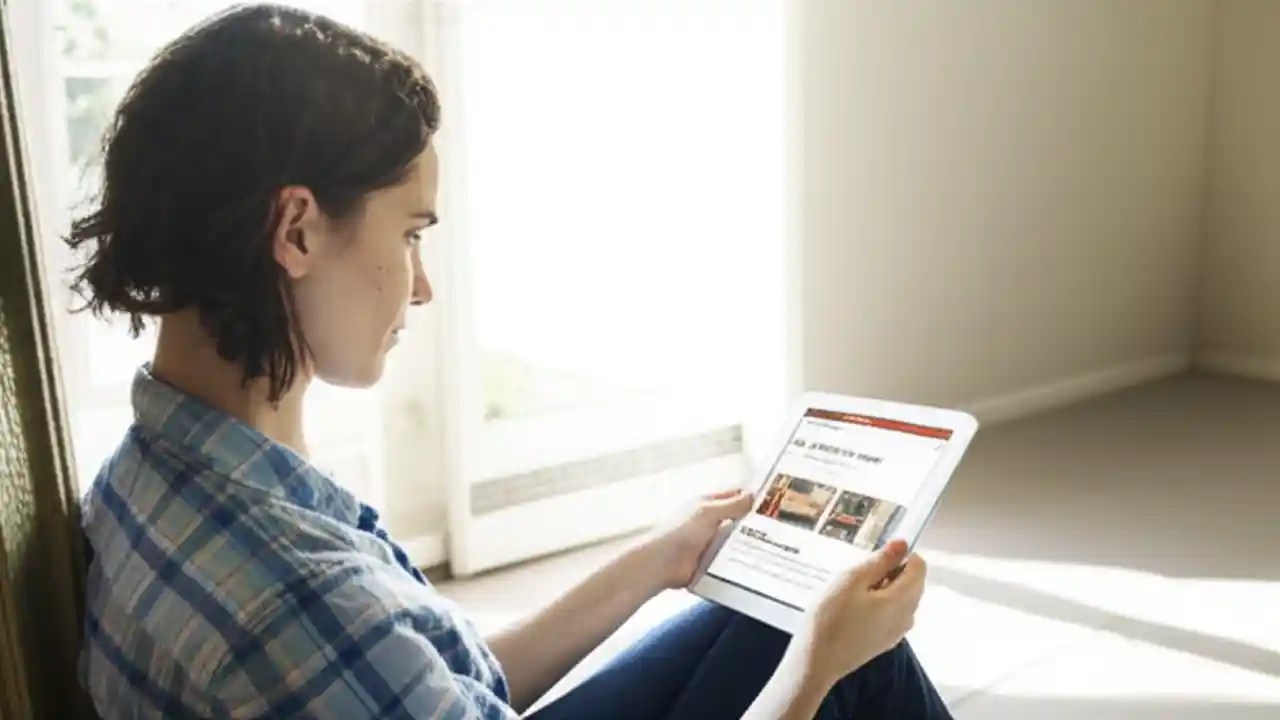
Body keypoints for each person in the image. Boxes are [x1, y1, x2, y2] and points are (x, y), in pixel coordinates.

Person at [72, 5, 952, 718]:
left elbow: (445, 686)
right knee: (844, 662)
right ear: (296, 229)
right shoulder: (290, 602)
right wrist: (819, 668)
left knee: (773, 619)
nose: (420, 288)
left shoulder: (151, 472)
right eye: (411, 234)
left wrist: (662, 556)